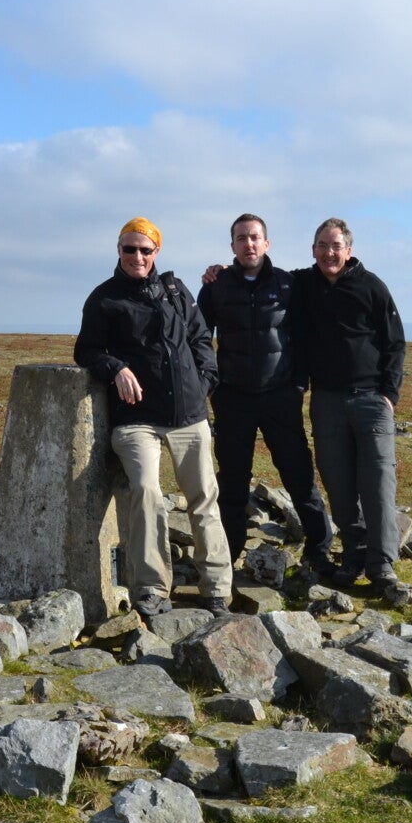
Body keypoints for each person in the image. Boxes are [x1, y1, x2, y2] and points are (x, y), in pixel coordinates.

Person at [74, 217, 232, 615]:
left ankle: (216, 589)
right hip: (136, 419)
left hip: (190, 416)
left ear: (156, 252)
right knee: (146, 493)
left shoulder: (177, 291)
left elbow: (200, 339)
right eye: (130, 249)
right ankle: (151, 589)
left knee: (204, 500)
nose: (138, 257)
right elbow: (86, 350)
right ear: (119, 250)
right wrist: (115, 367)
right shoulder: (104, 298)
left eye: (146, 250)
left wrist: (204, 381)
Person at [197, 213, 334, 575]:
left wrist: (297, 385)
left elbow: (303, 337)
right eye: (241, 238)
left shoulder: (289, 285)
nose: (249, 244)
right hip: (233, 398)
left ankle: (320, 548)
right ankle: (227, 554)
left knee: (298, 475)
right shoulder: (216, 285)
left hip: (280, 397)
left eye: (255, 237)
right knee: (233, 480)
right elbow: (198, 337)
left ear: (267, 243)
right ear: (232, 246)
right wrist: (210, 382)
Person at [293, 217, 407, 593]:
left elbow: (395, 343)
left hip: (371, 400)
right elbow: (261, 276)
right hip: (326, 401)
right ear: (313, 249)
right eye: (323, 245)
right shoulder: (303, 284)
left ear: (349, 250)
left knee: (377, 485)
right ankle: (355, 555)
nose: (329, 253)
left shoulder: (372, 286)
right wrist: (221, 271)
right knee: (338, 486)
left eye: (336, 246)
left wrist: (389, 395)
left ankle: (382, 566)